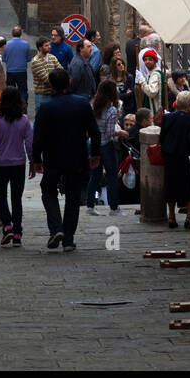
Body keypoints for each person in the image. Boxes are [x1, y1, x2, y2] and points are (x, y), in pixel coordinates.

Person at [32, 65, 101, 252]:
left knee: (48, 191)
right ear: (69, 82)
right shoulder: (82, 103)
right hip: (76, 157)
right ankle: (68, 239)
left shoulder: (45, 108)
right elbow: (95, 132)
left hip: (53, 157)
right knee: (73, 196)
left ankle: (56, 228)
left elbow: (37, 137)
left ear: (51, 87)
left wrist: (36, 160)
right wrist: (95, 154)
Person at [0, 83, 35, 246]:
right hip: (18, 164)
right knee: (17, 198)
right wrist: (33, 162)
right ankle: (17, 233)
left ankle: (7, 225)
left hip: (1, 164)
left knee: (1, 196)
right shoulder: (23, 120)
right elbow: (29, 144)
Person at [159, 89, 190, 229]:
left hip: (170, 156)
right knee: (189, 186)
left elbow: (162, 137)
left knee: (171, 185)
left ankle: (171, 216)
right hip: (186, 157)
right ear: (189, 106)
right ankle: (189, 217)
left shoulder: (167, 118)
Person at [86, 80, 127, 216]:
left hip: (92, 144)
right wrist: (120, 132)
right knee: (111, 176)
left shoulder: (92, 106)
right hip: (106, 145)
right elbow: (110, 133)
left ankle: (90, 205)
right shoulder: (111, 110)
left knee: (95, 175)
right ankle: (114, 207)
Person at [4, 25, 32, 105]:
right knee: (23, 90)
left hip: (10, 71)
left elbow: (4, 59)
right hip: (22, 71)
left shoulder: (7, 44)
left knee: (10, 91)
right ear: (21, 34)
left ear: (12, 34)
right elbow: (28, 59)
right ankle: (23, 105)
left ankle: (11, 105)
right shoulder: (26, 44)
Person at [30, 36, 60, 109]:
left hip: (53, 94)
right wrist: (59, 78)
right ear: (40, 48)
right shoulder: (35, 61)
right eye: (46, 45)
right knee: (41, 118)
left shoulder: (52, 57)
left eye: (49, 45)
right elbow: (47, 79)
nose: (49, 47)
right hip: (42, 96)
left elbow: (61, 71)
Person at [135, 47, 163, 115]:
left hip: (155, 109)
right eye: (145, 60)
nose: (147, 61)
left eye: (150, 59)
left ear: (155, 61)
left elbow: (151, 92)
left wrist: (141, 79)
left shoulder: (155, 74)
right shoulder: (151, 72)